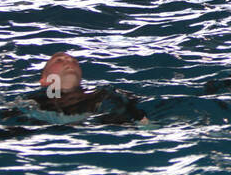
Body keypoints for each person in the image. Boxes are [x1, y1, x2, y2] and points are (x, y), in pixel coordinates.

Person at [19, 52, 147, 124]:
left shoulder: (103, 94)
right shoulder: (31, 103)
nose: (68, 61)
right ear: (44, 79)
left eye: (74, 62)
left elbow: (136, 116)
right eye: (59, 60)